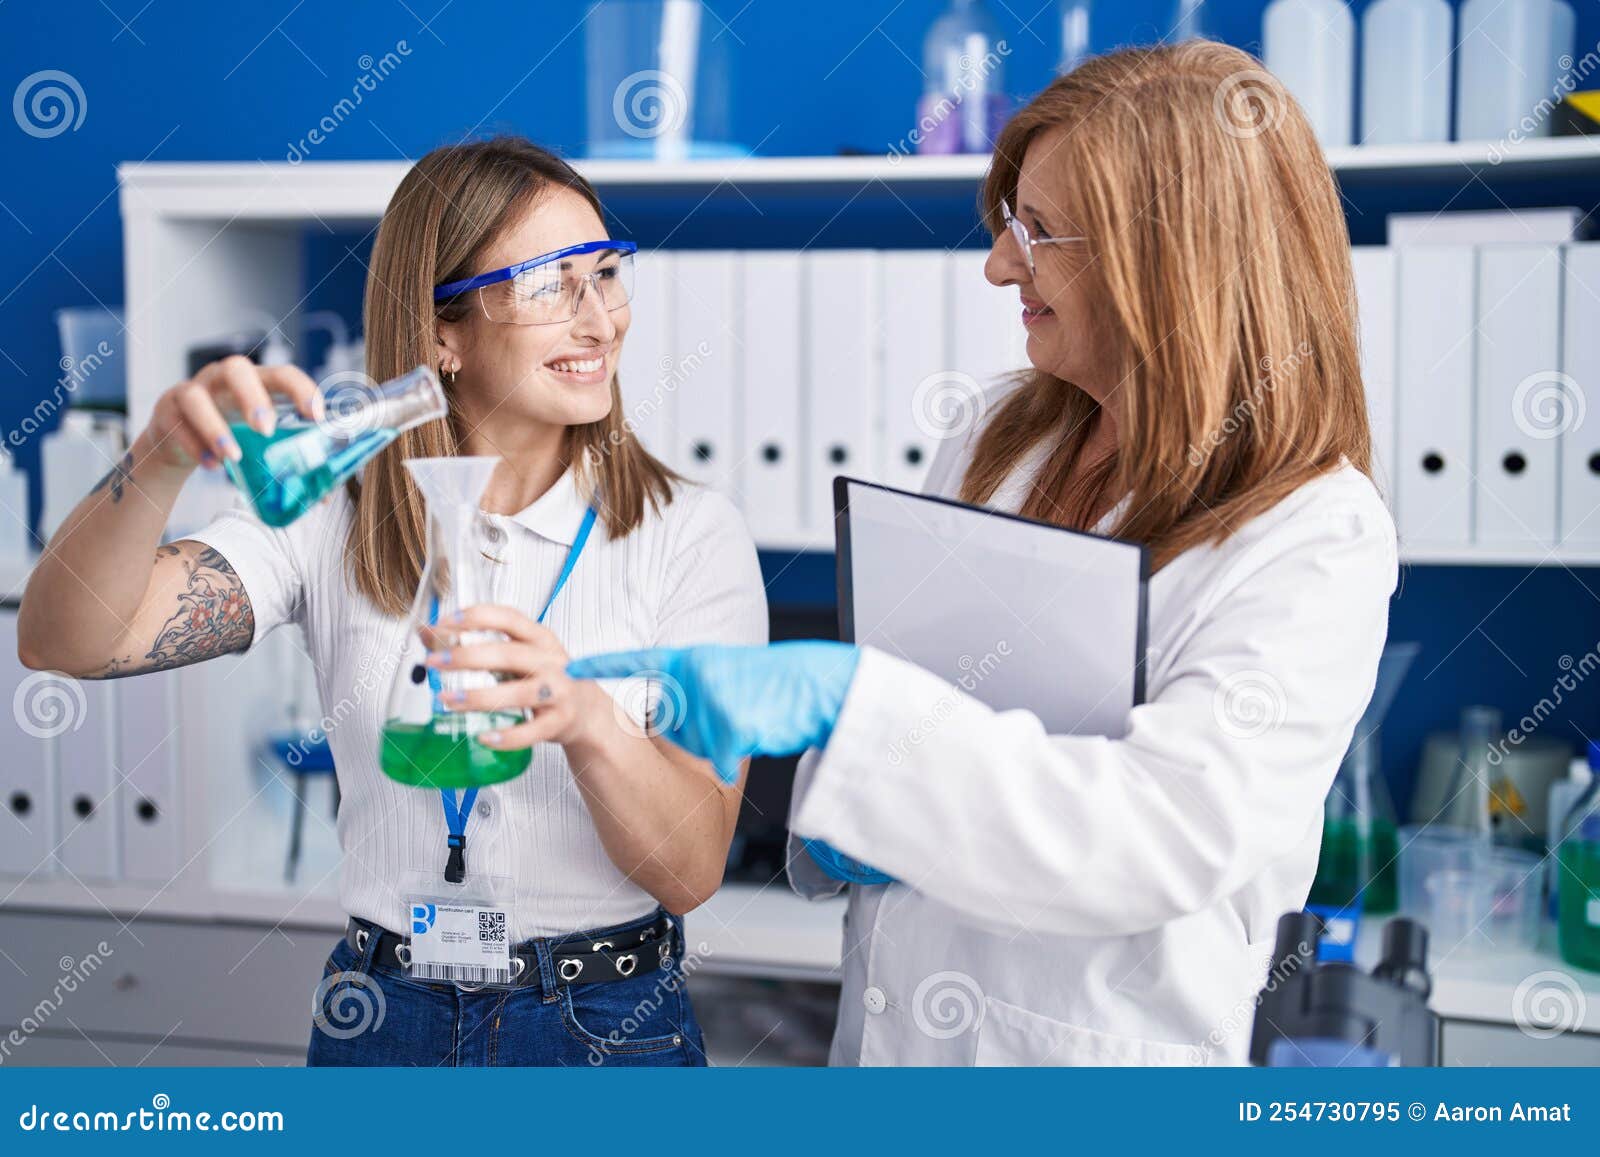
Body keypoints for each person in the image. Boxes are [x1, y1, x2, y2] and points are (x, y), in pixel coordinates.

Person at [568, 42, 1398, 1066]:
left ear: (1169, 258)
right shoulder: (999, 432)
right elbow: (929, 705)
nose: (1001, 264)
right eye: (1011, 224)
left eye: (1039, 233)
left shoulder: (1313, 534)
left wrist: (849, 706)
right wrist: (845, 786)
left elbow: (1165, 830)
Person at [18, 137, 767, 1067]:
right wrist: (161, 454)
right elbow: (66, 640)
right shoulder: (334, 515)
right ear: (442, 332)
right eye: (551, 284)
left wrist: (581, 715)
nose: (601, 320)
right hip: (382, 1021)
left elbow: (690, 869)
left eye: (606, 274)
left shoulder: (688, 533)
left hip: (603, 1028)